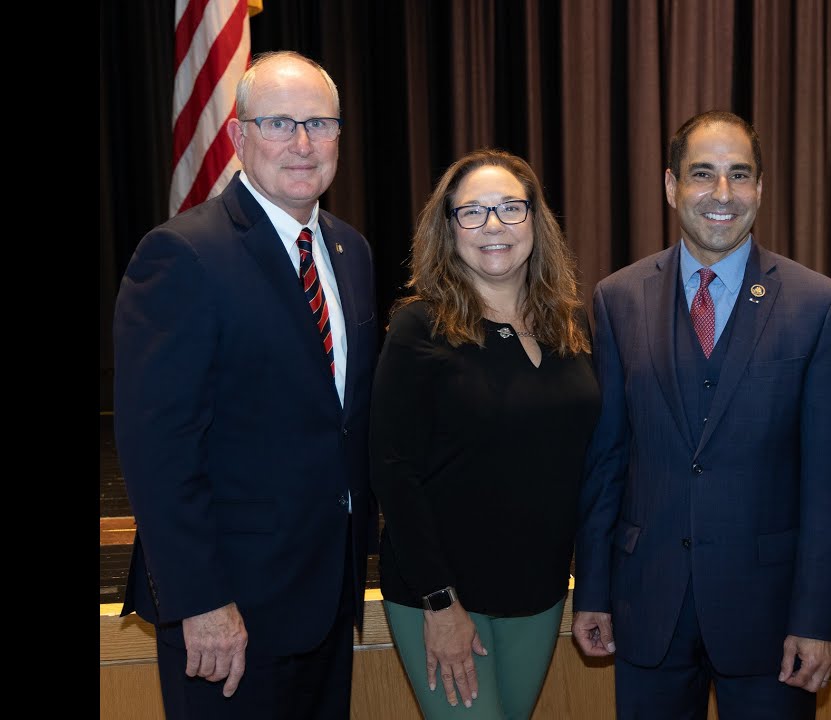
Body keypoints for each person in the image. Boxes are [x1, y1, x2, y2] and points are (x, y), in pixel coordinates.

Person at [113, 50, 379, 718]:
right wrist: (200, 600)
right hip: (229, 610)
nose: (301, 143)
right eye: (279, 123)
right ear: (237, 136)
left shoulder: (351, 251)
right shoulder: (183, 255)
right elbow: (158, 448)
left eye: (319, 124)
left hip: (325, 597)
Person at [572, 111, 831, 719]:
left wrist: (818, 617)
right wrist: (592, 588)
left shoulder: (819, 305)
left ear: (760, 188)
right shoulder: (617, 299)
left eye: (739, 175)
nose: (722, 194)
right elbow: (608, 459)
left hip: (773, 621)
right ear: (672, 187)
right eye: (703, 174)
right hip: (647, 604)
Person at [370, 148, 601, 719]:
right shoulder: (418, 327)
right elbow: (394, 473)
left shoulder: (568, 325)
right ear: (449, 229)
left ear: (535, 221)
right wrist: (440, 603)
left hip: (539, 590)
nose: (493, 226)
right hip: (445, 595)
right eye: (472, 212)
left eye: (509, 209)